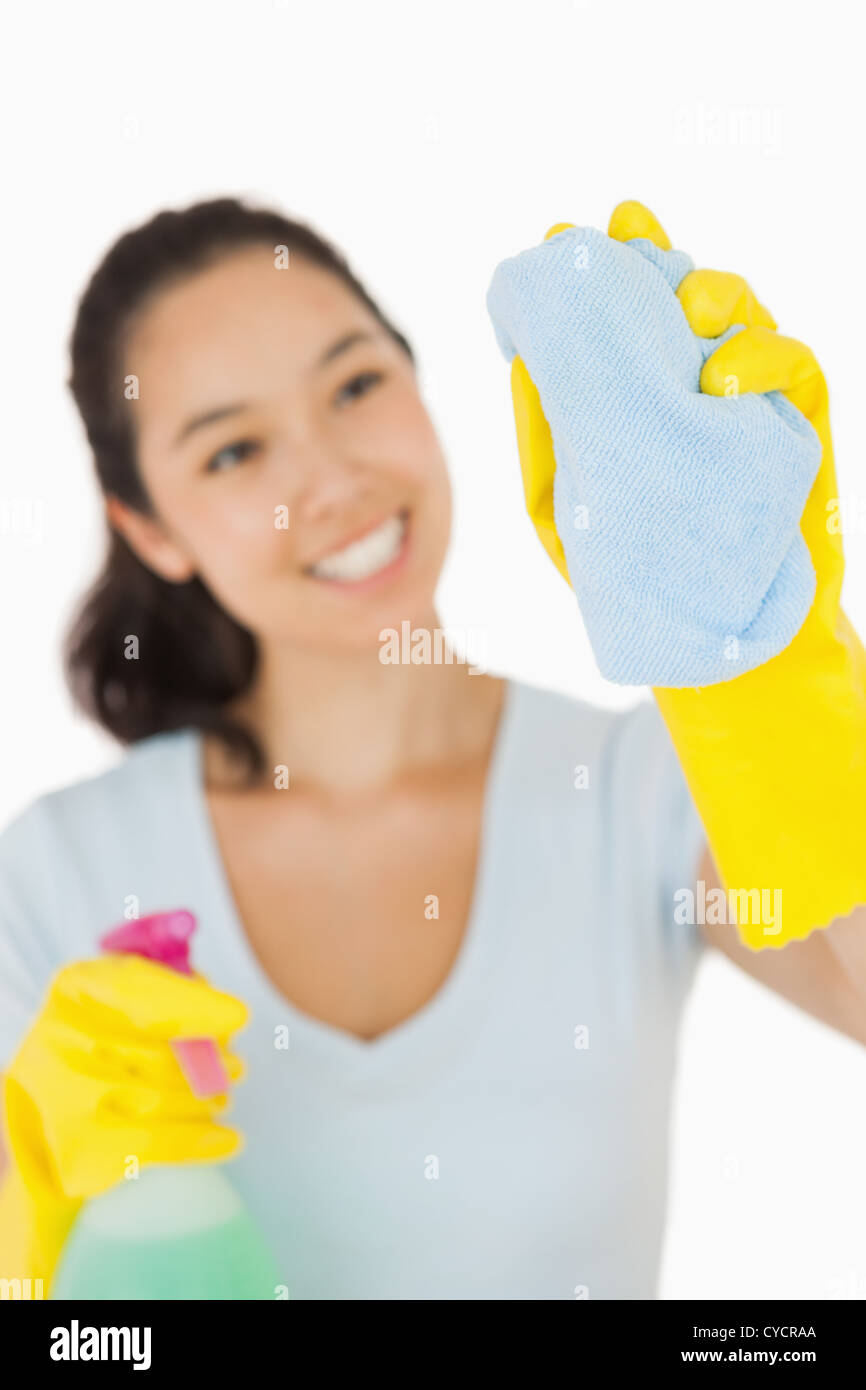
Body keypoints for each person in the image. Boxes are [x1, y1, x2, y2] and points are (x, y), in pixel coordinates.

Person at [0, 198, 863, 1300]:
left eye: (355, 383)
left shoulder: (641, 792)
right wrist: (33, 1195)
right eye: (233, 450)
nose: (332, 478)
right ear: (149, 527)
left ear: (419, 384)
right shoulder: (56, 871)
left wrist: (767, 670)